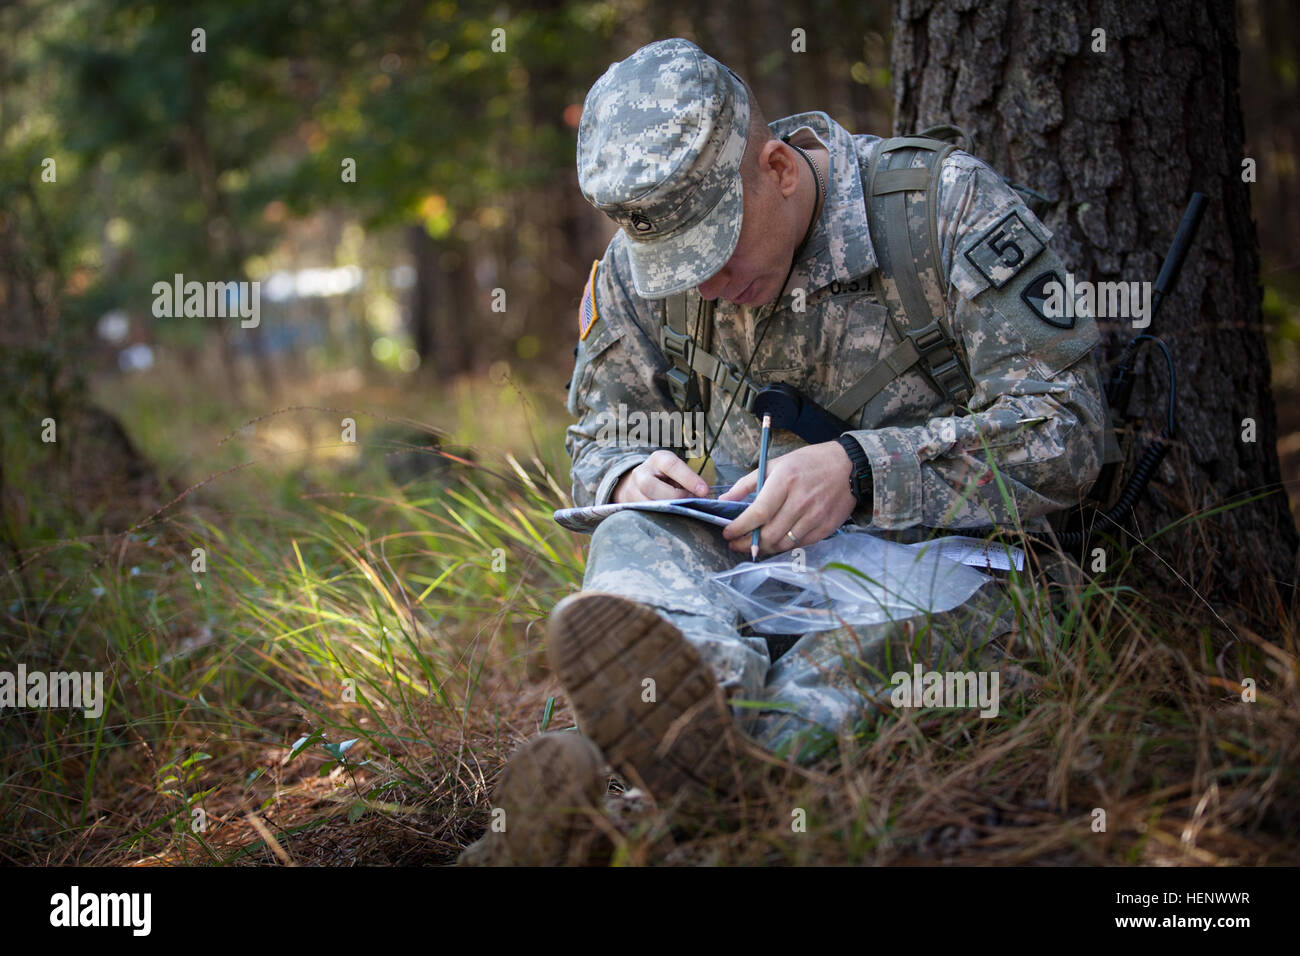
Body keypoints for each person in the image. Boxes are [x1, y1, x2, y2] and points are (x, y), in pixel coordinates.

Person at [459, 37, 1110, 865]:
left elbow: (1069, 429)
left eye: (715, 247)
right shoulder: (635, 271)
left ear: (777, 168)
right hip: (754, 566)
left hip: (951, 569)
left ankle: (642, 809)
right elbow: (600, 432)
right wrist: (627, 472)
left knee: (841, 672)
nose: (701, 285)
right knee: (632, 538)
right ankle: (690, 726)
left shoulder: (939, 211)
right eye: (673, 266)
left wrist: (864, 472)